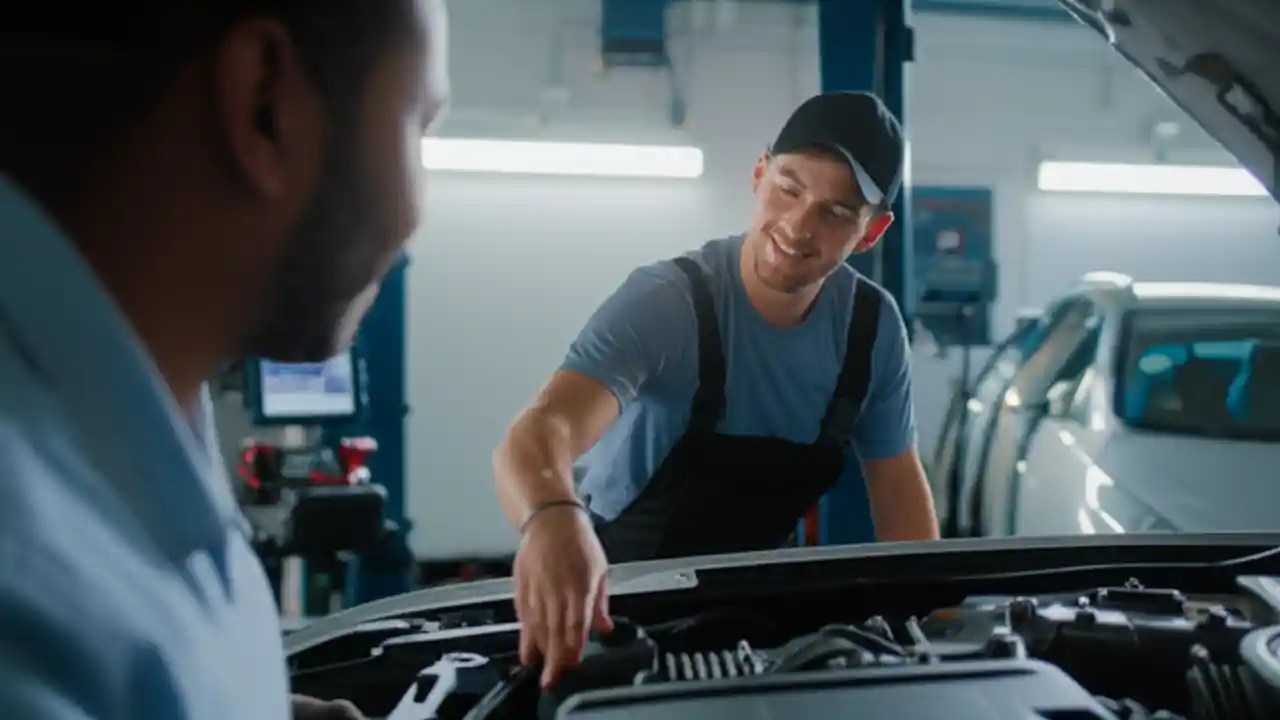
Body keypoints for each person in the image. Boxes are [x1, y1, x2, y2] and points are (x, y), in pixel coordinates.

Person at [0, 1, 448, 718]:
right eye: (416, 123)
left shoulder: (141, 409)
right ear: (267, 105)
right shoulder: (30, 612)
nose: (418, 209)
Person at [493, 91, 940, 688]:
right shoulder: (667, 303)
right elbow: (541, 430)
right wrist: (551, 519)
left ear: (872, 230)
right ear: (759, 174)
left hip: (757, 629)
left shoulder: (871, 331)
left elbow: (902, 507)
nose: (799, 226)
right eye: (789, 187)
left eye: (836, 212)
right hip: (613, 611)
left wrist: (934, 631)